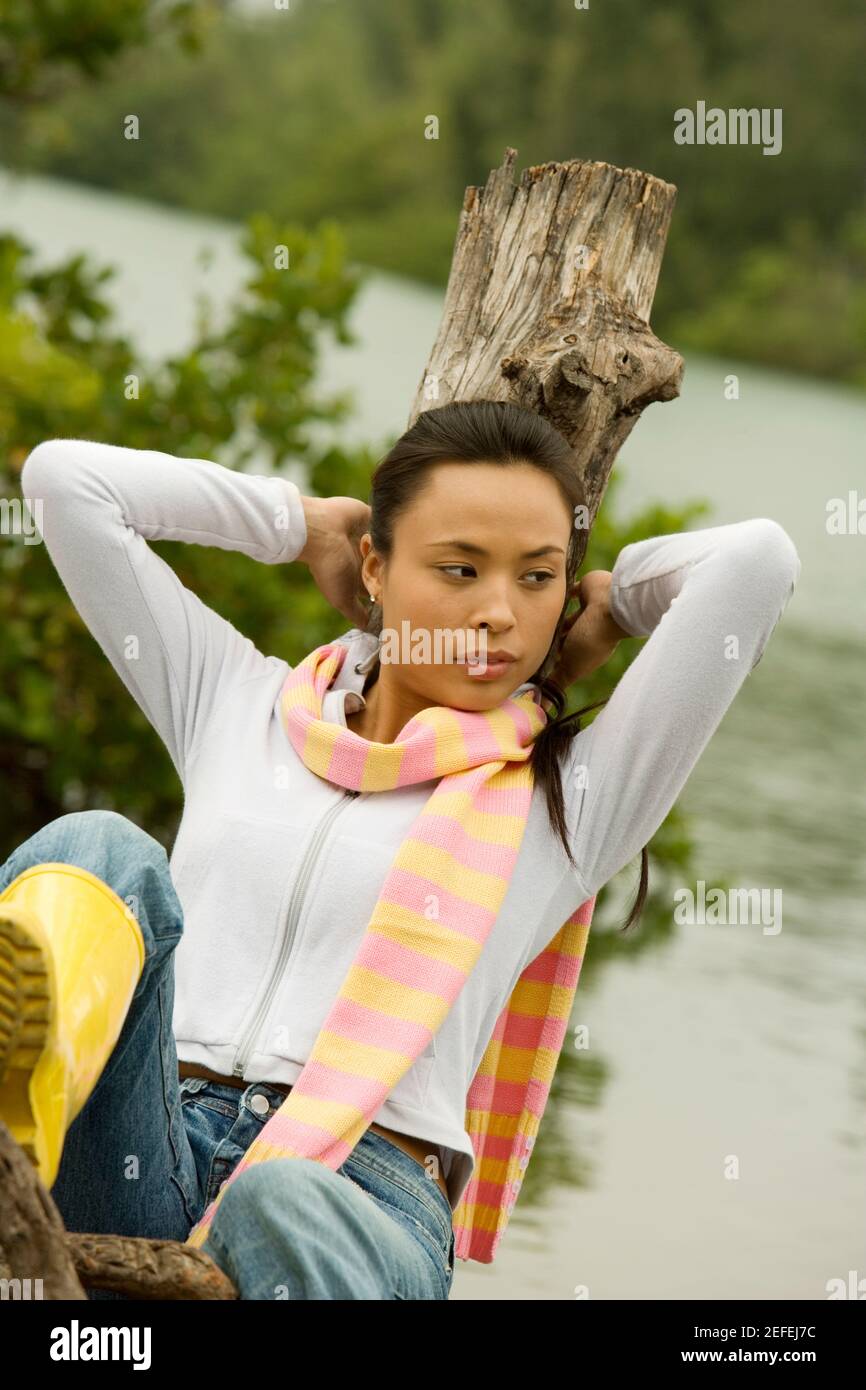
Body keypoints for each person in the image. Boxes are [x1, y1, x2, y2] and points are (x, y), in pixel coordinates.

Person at [0, 399, 800, 1299]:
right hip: (143, 1138)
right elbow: (65, 482)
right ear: (374, 567)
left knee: (278, 1200)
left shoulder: (569, 796)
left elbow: (756, 562)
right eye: (460, 568)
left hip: (361, 1191)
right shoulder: (236, 705)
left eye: (536, 579)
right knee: (95, 849)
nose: (499, 612)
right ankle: (17, 1104)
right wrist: (300, 525)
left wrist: (618, 601)